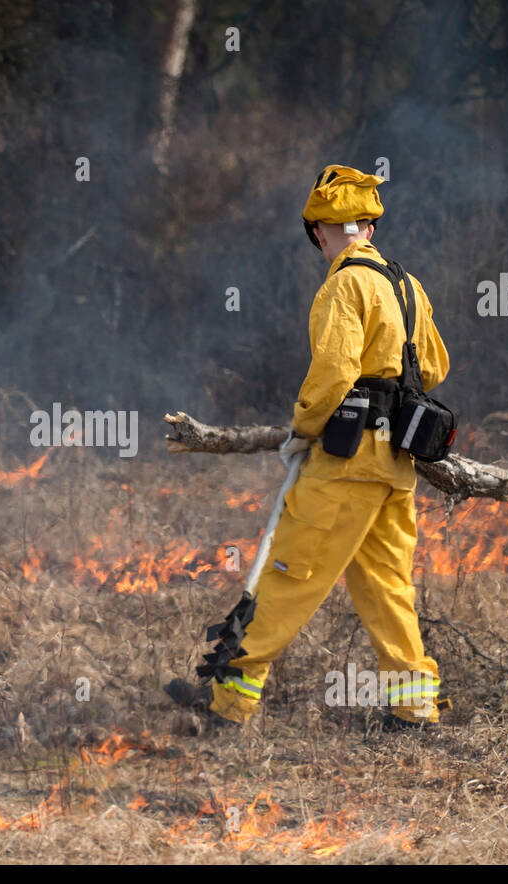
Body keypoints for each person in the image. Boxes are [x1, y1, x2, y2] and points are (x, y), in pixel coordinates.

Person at [167, 165, 452, 732]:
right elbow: (436, 367)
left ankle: (228, 703)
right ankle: (415, 708)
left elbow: (334, 371)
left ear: (319, 231)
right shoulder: (406, 285)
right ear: (368, 225)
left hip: (345, 466)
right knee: (388, 586)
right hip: (396, 467)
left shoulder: (344, 284)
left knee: (289, 576)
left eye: (318, 233)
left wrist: (303, 429)